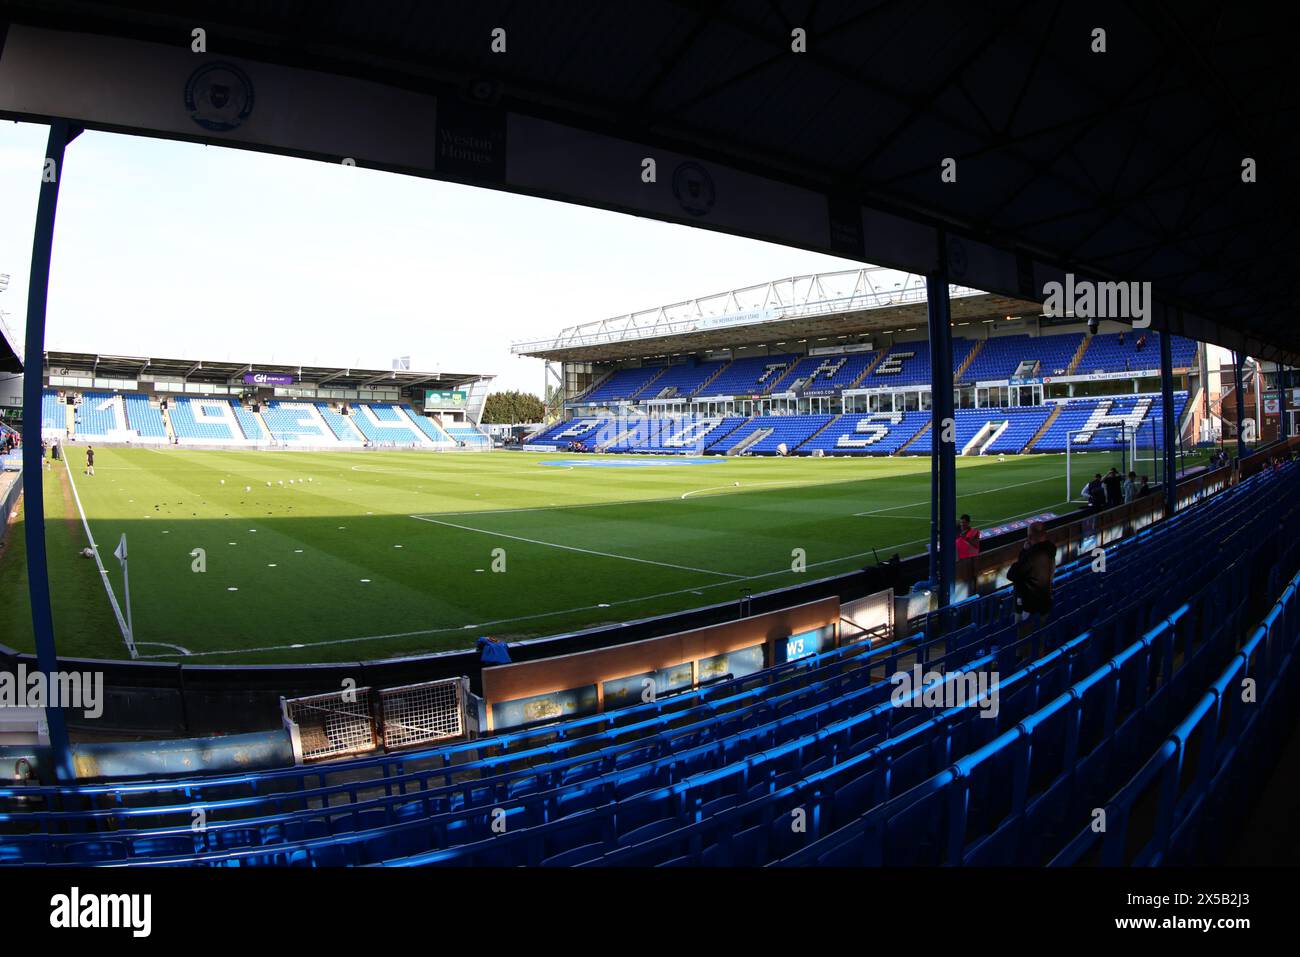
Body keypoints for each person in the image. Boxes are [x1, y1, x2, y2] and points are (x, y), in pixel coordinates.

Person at [1006, 521, 1056, 632]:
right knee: (1040, 638)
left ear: (1029, 536)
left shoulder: (1031, 555)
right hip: (1045, 603)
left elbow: (1012, 574)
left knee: (1024, 642)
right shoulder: (1050, 549)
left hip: (1029, 608)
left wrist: (1024, 551)